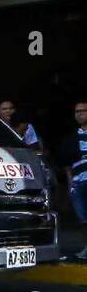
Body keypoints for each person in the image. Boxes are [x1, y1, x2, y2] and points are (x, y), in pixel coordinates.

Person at [58, 101, 87, 240]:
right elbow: (66, 164)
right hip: (78, 182)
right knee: (82, 218)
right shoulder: (70, 138)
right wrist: (71, 184)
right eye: (77, 112)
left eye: (83, 111)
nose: (80, 114)